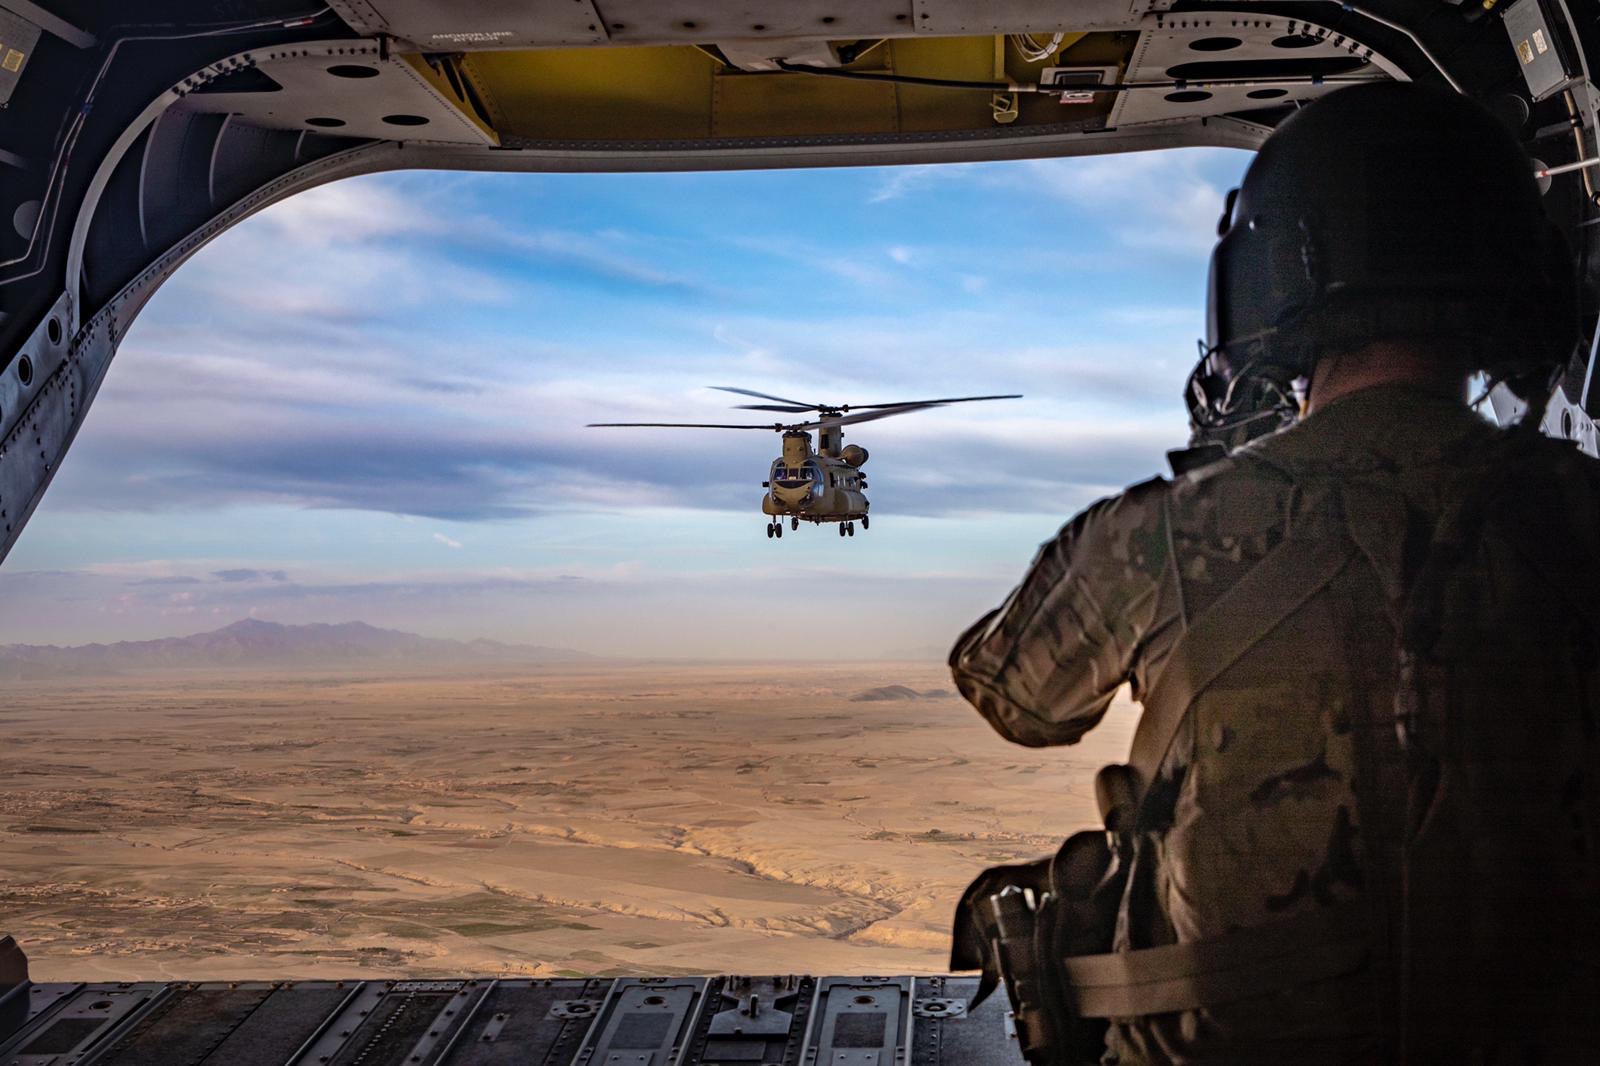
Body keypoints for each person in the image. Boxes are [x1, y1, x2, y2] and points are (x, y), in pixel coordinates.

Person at [950, 82, 1600, 1063]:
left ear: (1262, 281)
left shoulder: (1171, 530)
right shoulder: (1583, 515)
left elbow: (1012, 692)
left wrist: (1222, 463)